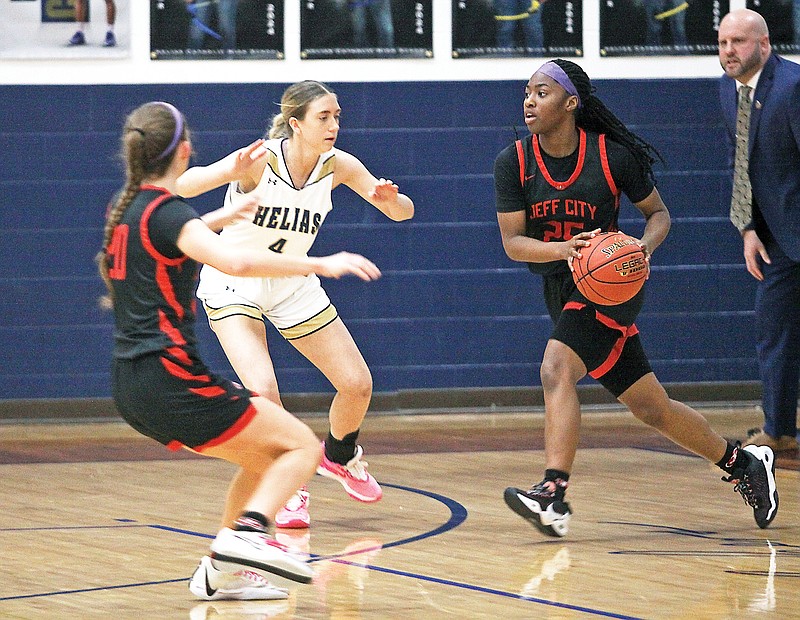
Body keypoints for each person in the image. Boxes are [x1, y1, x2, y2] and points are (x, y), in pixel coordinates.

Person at [98, 101, 382, 599]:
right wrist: (322, 263)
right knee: (298, 446)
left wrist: (221, 214)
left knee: (261, 454)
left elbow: (173, 240)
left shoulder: (130, 211)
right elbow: (238, 264)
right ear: (184, 150)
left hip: (131, 387)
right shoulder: (170, 213)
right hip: (171, 380)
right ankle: (248, 536)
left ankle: (220, 570)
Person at [493, 58, 779, 538]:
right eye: (527, 92)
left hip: (614, 288)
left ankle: (552, 492)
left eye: (541, 92)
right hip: (564, 288)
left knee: (556, 367)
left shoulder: (610, 156)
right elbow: (513, 243)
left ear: (570, 102)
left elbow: (659, 214)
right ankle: (743, 462)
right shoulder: (514, 163)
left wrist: (640, 250)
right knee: (652, 408)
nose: (528, 100)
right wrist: (565, 250)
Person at [176, 80, 414, 530]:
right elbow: (185, 186)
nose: (334, 125)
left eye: (337, 116)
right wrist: (227, 170)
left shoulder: (338, 165)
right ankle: (287, 490)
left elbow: (404, 212)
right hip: (235, 281)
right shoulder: (262, 158)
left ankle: (340, 457)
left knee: (357, 383)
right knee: (263, 391)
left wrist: (391, 200)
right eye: (323, 117)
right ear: (295, 124)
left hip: (291, 283)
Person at [718, 10, 800, 453]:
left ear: (764, 45)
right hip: (777, 240)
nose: (730, 51)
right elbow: (740, 165)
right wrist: (748, 228)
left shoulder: (792, 87)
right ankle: (780, 429)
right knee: (775, 329)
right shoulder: (728, 90)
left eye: (739, 42)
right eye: (723, 42)